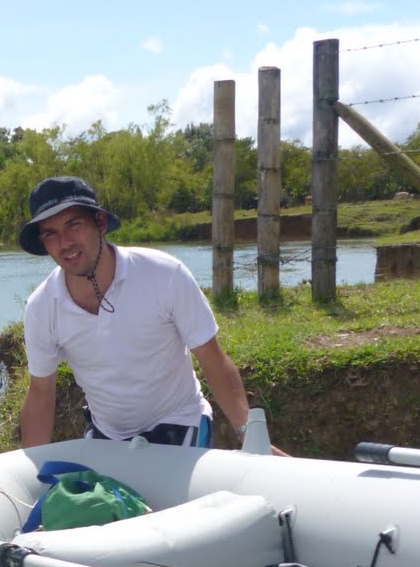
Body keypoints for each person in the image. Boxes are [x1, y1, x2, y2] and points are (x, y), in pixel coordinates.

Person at [16, 175, 259, 451]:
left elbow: (212, 357)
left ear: (101, 223)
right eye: (51, 234)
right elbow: (40, 392)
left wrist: (249, 435)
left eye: (74, 225)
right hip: (107, 433)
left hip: (180, 421)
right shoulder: (41, 307)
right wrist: (27, 474)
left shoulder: (165, 274)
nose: (65, 243)